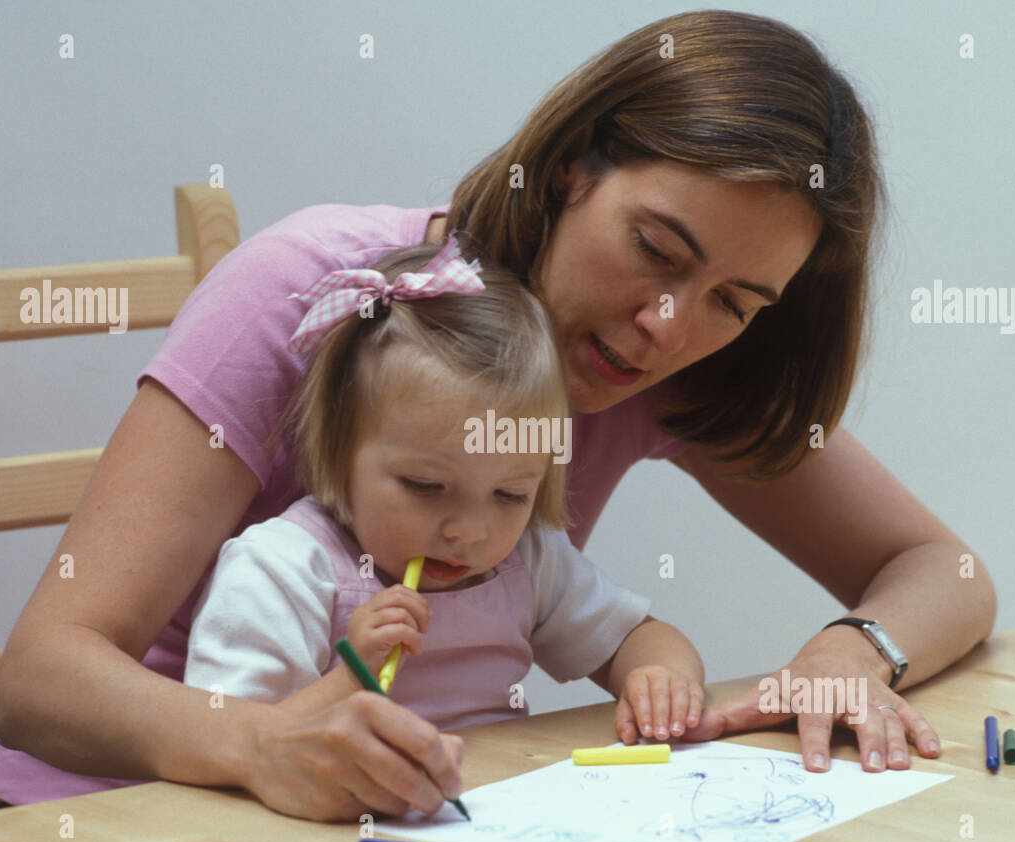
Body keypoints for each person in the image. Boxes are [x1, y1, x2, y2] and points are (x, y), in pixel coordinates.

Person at [0, 10, 996, 821]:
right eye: (655, 248)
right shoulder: (312, 292)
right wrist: (260, 742)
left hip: (389, 822)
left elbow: (942, 572)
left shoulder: (671, 375)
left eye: (734, 303)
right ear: (569, 168)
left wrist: (842, 656)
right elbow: (41, 679)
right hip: (125, 823)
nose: (663, 327)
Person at [182, 239, 706, 747]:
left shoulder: (528, 558)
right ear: (339, 454)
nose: (469, 531)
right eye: (427, 486)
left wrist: (661, 677)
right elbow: (233, 748)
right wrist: (353, 675)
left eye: (509, 494)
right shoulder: (284, 569)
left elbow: (635, 638)